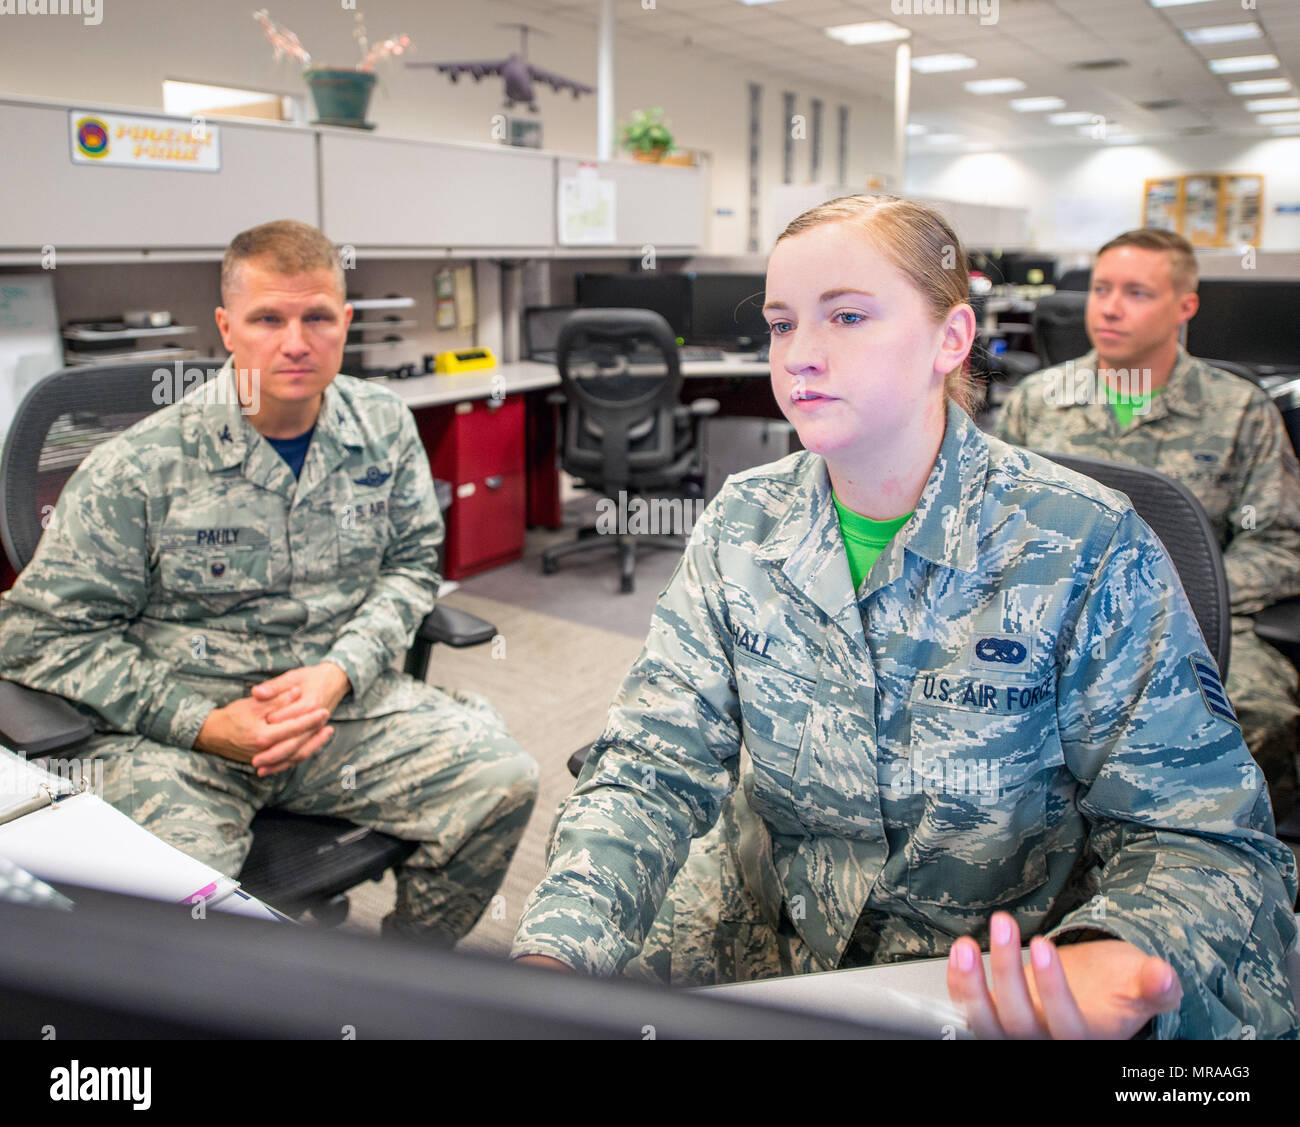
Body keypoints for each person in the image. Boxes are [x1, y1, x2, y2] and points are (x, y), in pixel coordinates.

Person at [511, 195, 1298, 1040]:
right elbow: (651, 764)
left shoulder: (1086, 541)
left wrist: (1114, 946)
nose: (800, 355)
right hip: (768, 933)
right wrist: (556, 953)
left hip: (993, 972)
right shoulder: (742, 520)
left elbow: (1204, 833)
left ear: (950, 339)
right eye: (781, 324)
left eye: (847, 315)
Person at [0, 219, 538, 945]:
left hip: (335, 716)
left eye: (317, 316)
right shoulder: (140, 466)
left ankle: (407, 980)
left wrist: (338, 674)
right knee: (189, 922)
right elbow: (36, 639)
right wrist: (200, 723)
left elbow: (412, 567)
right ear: (226, 327)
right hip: (176, 741)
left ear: (345, 323)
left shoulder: (382, 424)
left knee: (501, 778)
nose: (295, 342)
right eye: (267, 319)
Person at [996, 228, 1300, 824]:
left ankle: (1216, 866)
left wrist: (1175, 599)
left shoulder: (1238, 409)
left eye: (1136, 292)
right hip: (1054, 618)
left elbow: (1280, 542)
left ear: (1184, 306)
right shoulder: (1038, 400)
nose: (1108, 307)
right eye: (1101, 288)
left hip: (1196, 627)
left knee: (1253, 714)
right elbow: (997, 523)